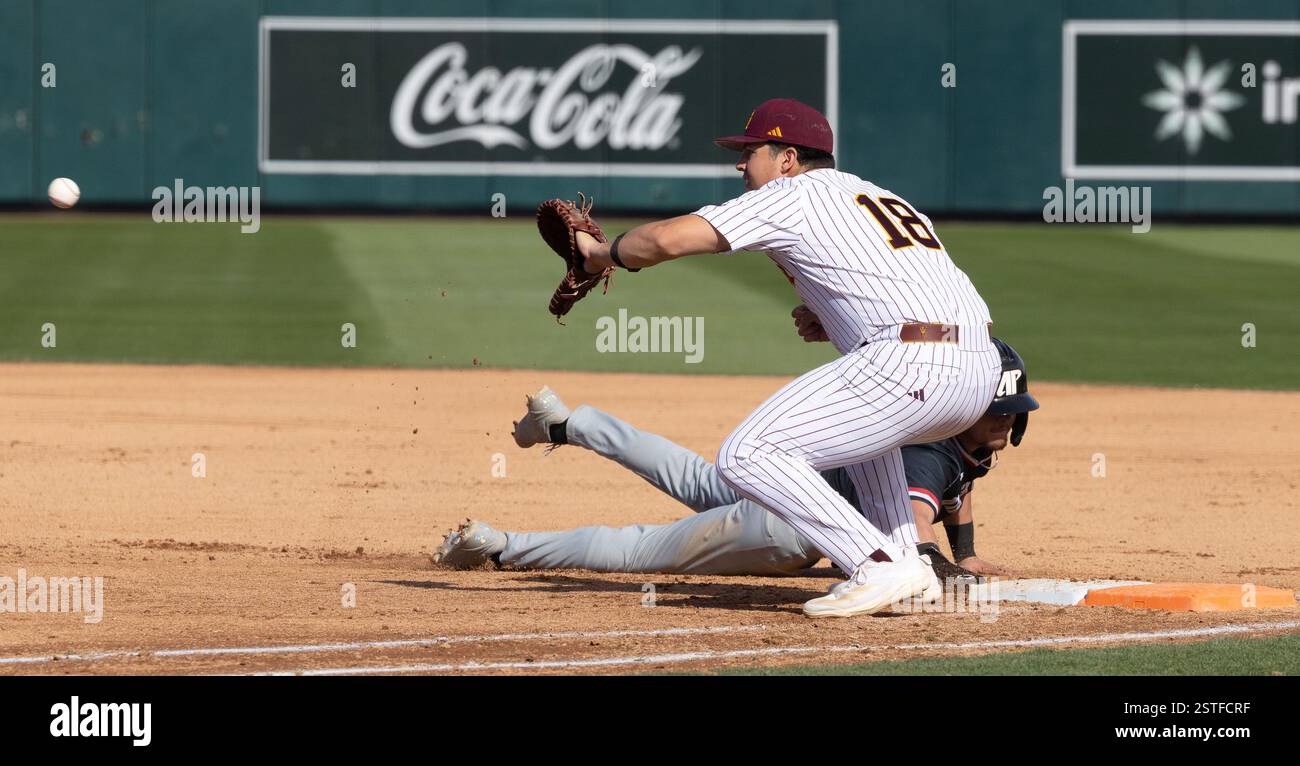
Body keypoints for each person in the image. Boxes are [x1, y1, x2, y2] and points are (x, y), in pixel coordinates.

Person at [567, 98, 1001, 616]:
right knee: (859, 443)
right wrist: (834, 315)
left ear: (787, 158)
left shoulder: (790, 195)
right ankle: (912, 564)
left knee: (747, 454)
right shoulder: (875, 193)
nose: (740, 164)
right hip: (979, 367)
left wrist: (599, 255)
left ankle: (877, 562)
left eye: (751, 151)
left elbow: (665, 239)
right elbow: (898, 280)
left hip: (913, 363)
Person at [435, 339, 1039, 586]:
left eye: (1011, 411)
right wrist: (944, 571)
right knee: (642, 550)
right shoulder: (935, 448)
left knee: (696, 476)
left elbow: (960, 489)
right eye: (998, 411)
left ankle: (566, 422)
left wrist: (968, 552)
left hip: (784, 480)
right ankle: (498, 546)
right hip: (784, 532)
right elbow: (917, 520)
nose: (1005, 422)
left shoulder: (953, 429)